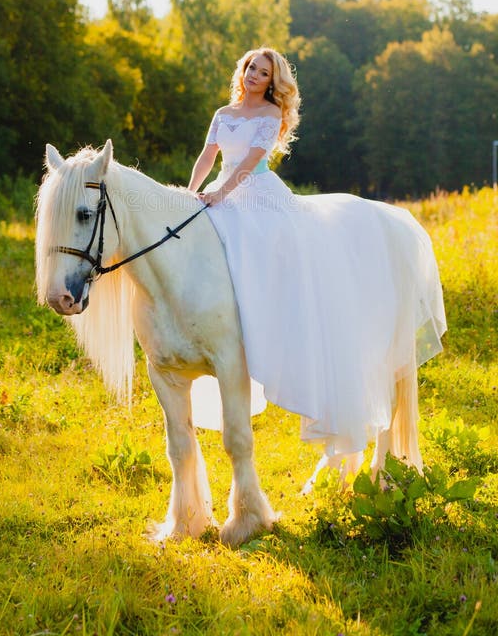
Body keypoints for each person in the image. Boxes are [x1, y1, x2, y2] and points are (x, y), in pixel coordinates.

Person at [187, 47, 446, 454]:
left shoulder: (270, 115)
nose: (254, 75)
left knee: (264, 244)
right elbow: (208, 157)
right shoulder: (224, 113)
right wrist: (192, 192)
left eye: (263, 72)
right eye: (251, 67)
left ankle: (273, 312)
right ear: (242, 70)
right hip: (222, 189)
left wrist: (221, 193)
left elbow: (250, 162)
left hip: (256, 192)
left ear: (272, 82)